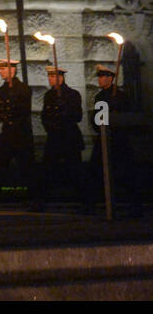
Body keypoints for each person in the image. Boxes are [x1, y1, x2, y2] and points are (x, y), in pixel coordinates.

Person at [85, 64, 143, 217]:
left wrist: (116, 113)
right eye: (99, 76)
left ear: (110, 78)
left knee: (126, 172)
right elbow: (97, 119)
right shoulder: (100, 97)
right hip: (104, 139)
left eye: (102, 76)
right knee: (95, 172)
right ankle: (90, 204)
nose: (99, 79)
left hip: (119, 140)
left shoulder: (121, 96)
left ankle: (135, 206)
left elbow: (127, 116)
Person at [0, 58, 34, 209]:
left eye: (3, 69)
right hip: (7, 132)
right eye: (0, 69)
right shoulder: (3, 89)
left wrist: (9, 114)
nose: (0, 71)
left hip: (20, 133)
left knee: (25, 166)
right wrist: (0, 115)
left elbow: (23, 111)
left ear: (12, 70)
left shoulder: (23, 89)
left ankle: (31, 197)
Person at [39, 64, 83, 210]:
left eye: (53, 76)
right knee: (47, 168)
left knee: (75, 169)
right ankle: (42, 200)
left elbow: (78, 116)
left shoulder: (73, 94)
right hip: (54, 137)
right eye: (49, 76)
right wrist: (50, 128)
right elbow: (44, 115)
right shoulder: (49, 95)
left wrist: (65, 109)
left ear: (61, 77)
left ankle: (86, 201)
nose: (50, 79)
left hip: (69, 137)